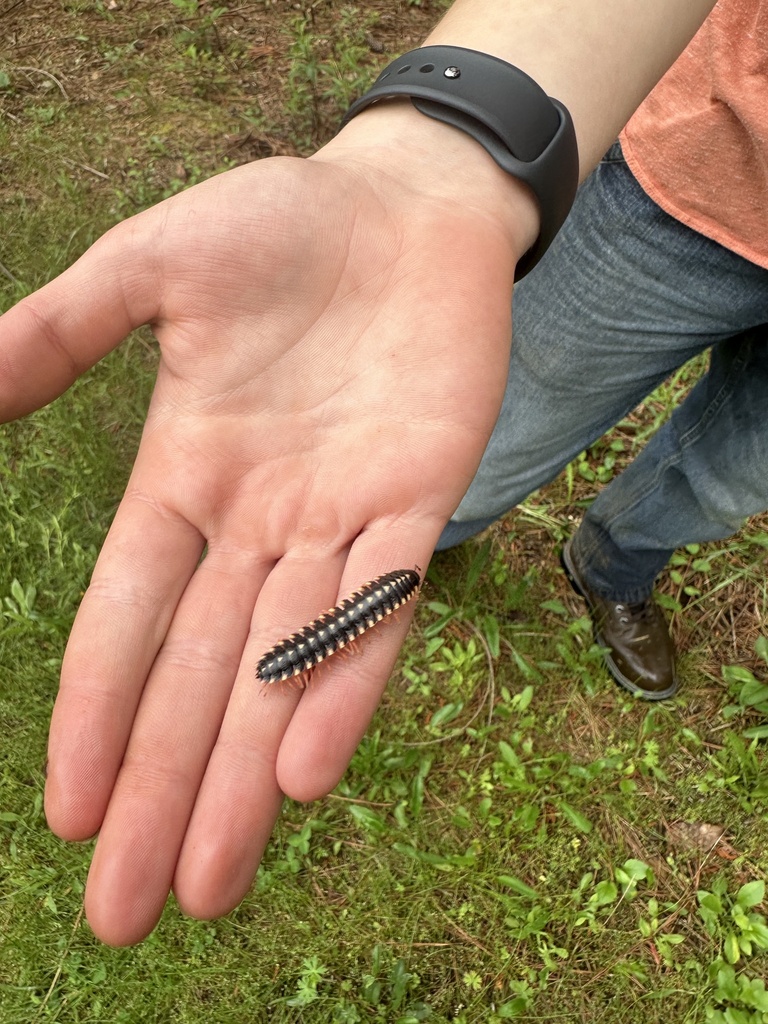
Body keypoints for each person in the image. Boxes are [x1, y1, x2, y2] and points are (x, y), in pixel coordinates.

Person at [0, 0, 758, 947]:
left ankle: (615, 563)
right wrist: (434, 162)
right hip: (692, 184)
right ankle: (469, 538)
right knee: (491, 447)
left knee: (733, 478)